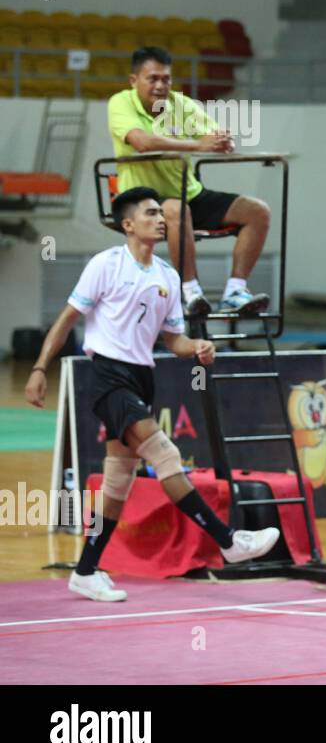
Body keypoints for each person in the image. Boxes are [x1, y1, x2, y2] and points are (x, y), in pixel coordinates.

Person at [24, 186, 281, 602]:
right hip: (108, 376)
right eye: (150, 213)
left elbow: (172, 340)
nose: (161, 219)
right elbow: (68, 318)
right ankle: (229, 540)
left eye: (162, 213)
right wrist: (39, 368)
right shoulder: (105, 265)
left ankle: (86, 571)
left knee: (117, 481)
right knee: (166, 456)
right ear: (128, 224)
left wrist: (196, 347)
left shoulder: (167, 276)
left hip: (143, 376)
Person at [107, 46, 271, 318]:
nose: (161, 85)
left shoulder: (181, 105)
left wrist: (222, 140)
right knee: (174, 210)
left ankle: (235, 291)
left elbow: (213, 136)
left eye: (166, 79)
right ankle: (190, 293)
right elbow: (142, 142)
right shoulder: (120, 102)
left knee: (257, 211)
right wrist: (197, 144)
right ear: (134, 81)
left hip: (188, 193)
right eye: (153, 78)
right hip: (139, 198)